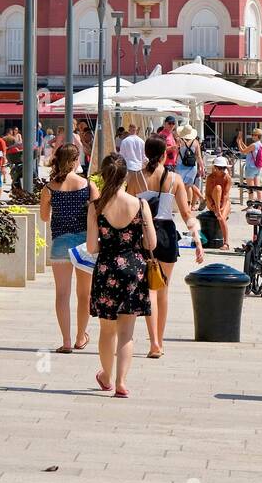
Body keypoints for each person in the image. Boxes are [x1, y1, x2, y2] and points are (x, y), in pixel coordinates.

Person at [86, 153, 155, 398]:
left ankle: (105, 375)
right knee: (127, 332)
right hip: (134, 270)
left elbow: (91, 247)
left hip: (106, 270)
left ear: (103, 176)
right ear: (126, 175)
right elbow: (152, 243)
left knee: (107, 330)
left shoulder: (96, 207)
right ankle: (121, 381)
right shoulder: (141, 205)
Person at [137, 135, 203, 359]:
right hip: (166, 233)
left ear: (146, 153)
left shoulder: (135, 177)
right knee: (162, 290)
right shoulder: (174, 179)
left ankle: (153, 341)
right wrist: (197, 240)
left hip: (144, 233)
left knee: (149, 291)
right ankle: (159, 342)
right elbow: (186, 214)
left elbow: (127, 208)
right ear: (166, 154)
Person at [40, 143, 94, 353]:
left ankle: (67, 341)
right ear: (74, 160)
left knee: (62, 294)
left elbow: (45, 217)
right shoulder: (88, 185)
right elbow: (96, 216)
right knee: (85, 294)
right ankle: (81, 337)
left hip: (60, 242)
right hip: (84, 244)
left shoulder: (49, 188)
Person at [203, 156, 233, 248]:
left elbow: (226, 195)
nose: (222, 170)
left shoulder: (227, 178)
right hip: (212, 200)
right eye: (220, 168)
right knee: (218, 188)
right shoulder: (210, 178)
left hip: (223, 201)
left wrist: (221, 208)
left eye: (224, 168)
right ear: (215, 168)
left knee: (221, 218)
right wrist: (214, 206)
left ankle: (226, 243)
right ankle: (218, 211)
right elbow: (207, 194)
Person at [175, 123, 205, 208]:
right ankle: (189, 205)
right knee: (189, 186)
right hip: (192, 167)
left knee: (182, 186)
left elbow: (176, 153)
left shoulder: (179, 141)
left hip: (180, 166)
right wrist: (202, 168)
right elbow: (199, 156)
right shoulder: (195, 142)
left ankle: (185, 204)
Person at [235, 129, 262, 207]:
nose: (252, 136)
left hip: (250, 168)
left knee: (250, 187)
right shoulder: (260, 145)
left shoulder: (254, 145)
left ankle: (250, 205)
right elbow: (248, 150)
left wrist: (238, 142)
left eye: (253, 135)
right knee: (258, 186)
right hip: (258, 168)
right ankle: (260, 205)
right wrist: (241, 142)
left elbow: (243, 151)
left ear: (257, 136)